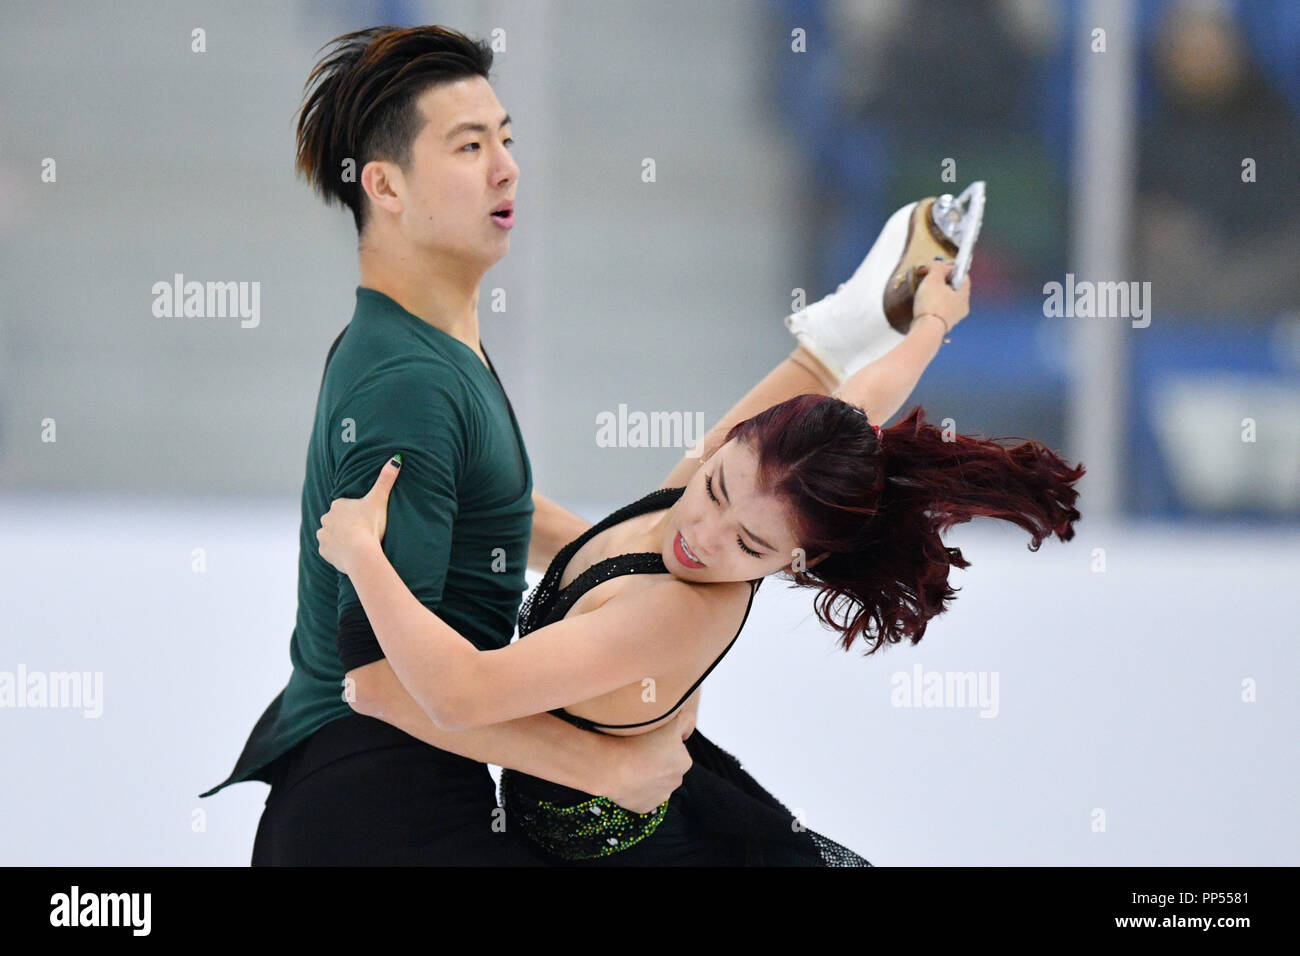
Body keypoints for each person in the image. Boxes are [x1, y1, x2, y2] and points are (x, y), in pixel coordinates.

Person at [197, 23, 911, 866]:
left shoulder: (429, 346)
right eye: (468, 147)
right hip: (382, 817)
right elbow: (379, 678)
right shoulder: (409, 385)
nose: (506, 168)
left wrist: (650, 595)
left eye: (505, 139)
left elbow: (508, 515)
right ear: (384, 186)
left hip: (394, 801)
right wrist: (603, 763)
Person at [315, 249, 1087, 864]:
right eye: (714, 488)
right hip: (654, 791)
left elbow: (456, 696)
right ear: (727, 439)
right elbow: (857, 394)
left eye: (751, 546)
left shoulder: (672, 612)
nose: (705, 537)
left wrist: (363, 557)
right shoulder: (757, 473)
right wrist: (930, 321)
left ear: (797, 563)